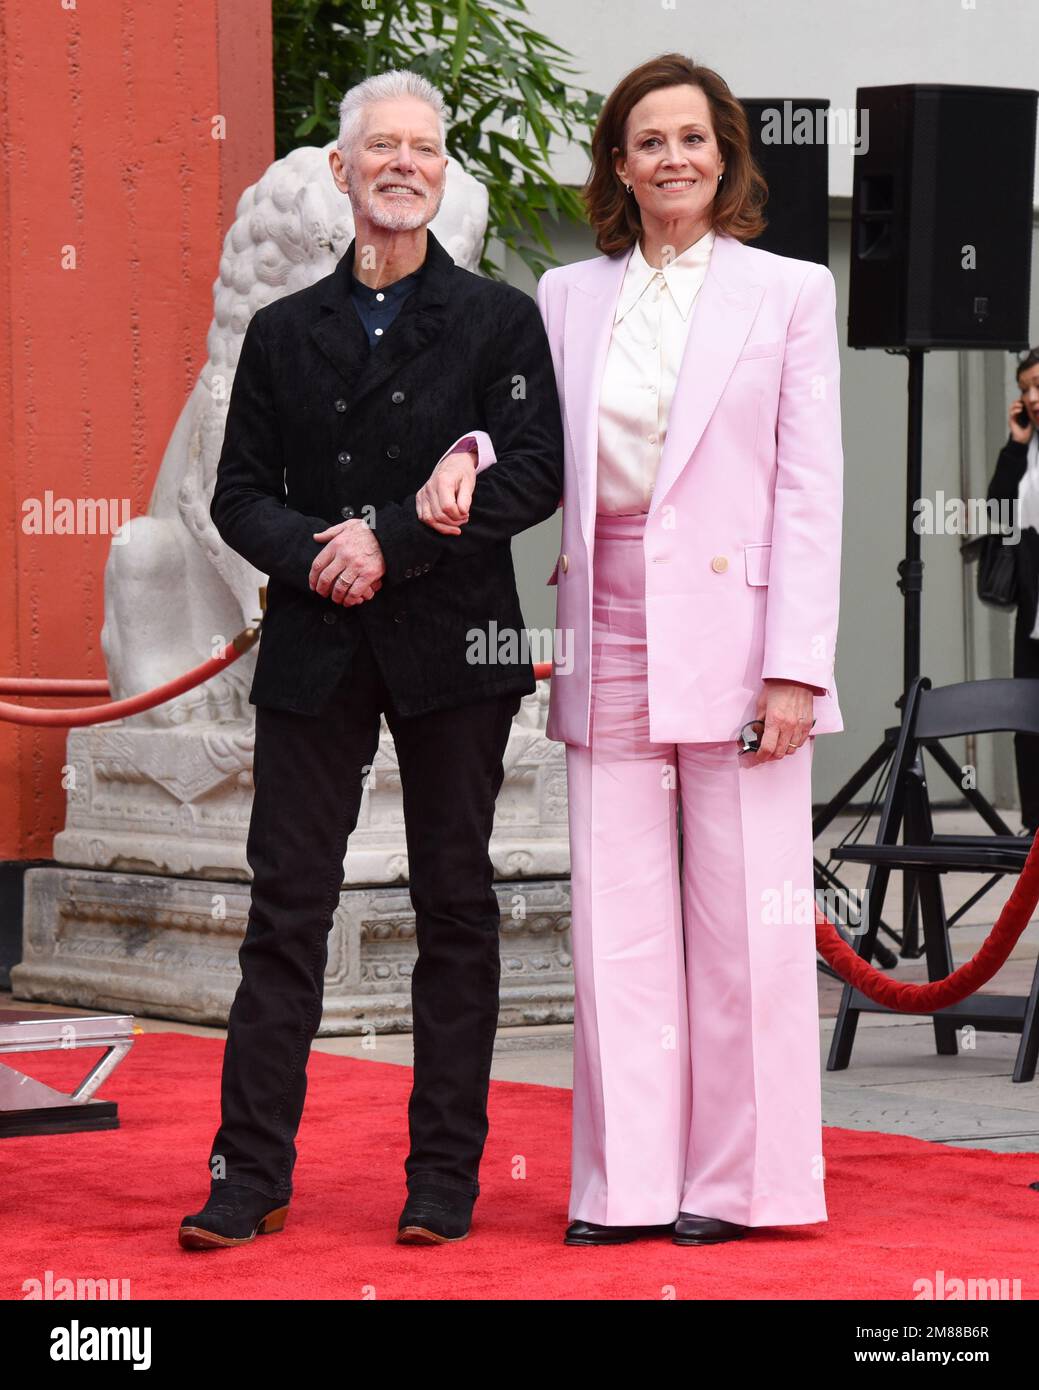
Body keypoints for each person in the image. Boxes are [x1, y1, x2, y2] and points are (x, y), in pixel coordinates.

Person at [418, 53, 844, 1246]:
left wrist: (795, 668)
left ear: (725, 156)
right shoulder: (566, 297)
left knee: (743, 927)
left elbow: (811, 491)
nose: (673, 158)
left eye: (694, 139)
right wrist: (463, 452)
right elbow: (518, 430)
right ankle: (625, 1188)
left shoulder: (791, 291)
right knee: (619, 925)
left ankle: (740, 1184)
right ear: (617, 162)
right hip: (603, 631)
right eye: (648, 140)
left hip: (741, 641)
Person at [179, 69, 563, 1250]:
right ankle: (250, 1175)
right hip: (314, 651)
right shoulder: (284, 331)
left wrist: (385, 541)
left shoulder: (501, 318)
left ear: (441, 174)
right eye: (379, 148)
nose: (403, 164)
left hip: (456, 655)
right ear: (342, 173)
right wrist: (315, 556)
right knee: (285, 911)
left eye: (423, 149)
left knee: (456, 907)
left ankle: (442, 1176)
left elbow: (533, 473)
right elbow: (233, 495)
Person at [986, 347, 1039, 836]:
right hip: (1034, 619)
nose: (1031, 397)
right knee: (1029, 722)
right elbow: (998, 512)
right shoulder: (1026, 449)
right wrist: (1015, 445)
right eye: (1024, 389)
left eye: (1038, 384)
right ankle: (1034, 827)